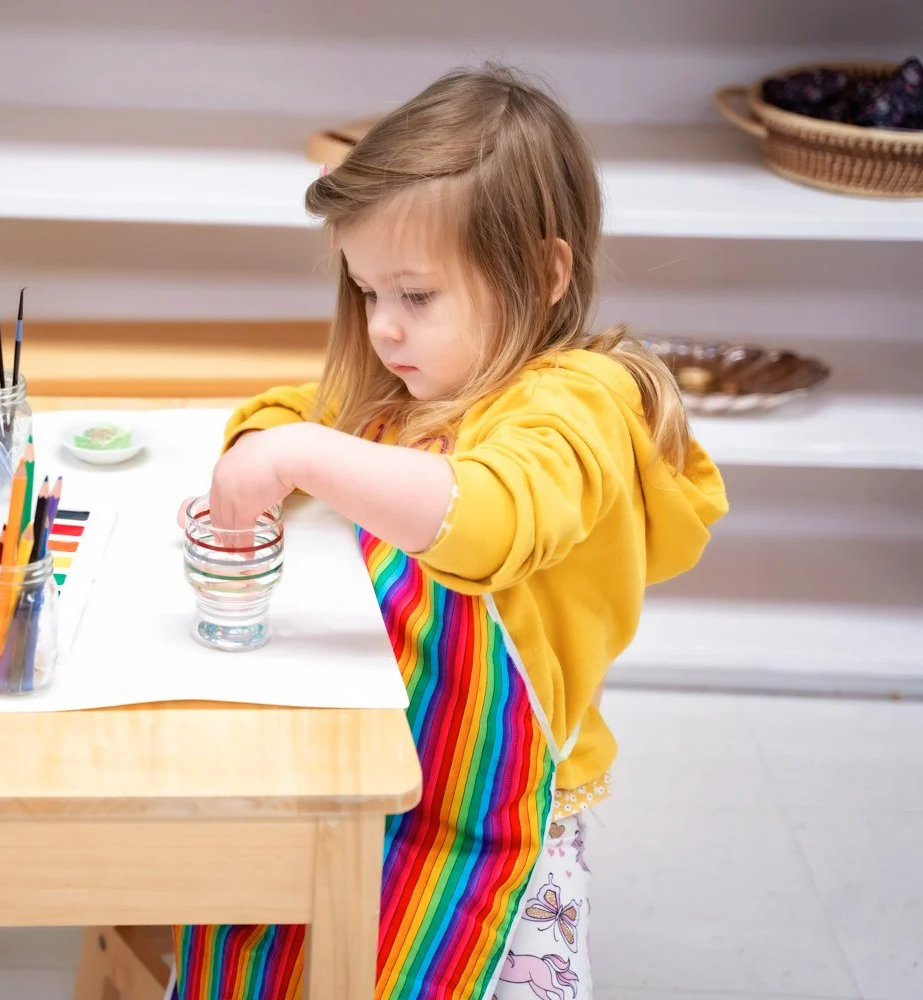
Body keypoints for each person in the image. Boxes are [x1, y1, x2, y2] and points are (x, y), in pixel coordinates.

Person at [171, 66, 728, 1000]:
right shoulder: (423, 385)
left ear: (546, 273)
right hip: (394, 777)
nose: (384, 329)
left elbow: (488, 517)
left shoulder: (577, 405)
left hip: (503, 819)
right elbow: (303, 409)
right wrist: (269, 441)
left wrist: (307, 451)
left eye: (415, 296)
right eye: (366, 293)